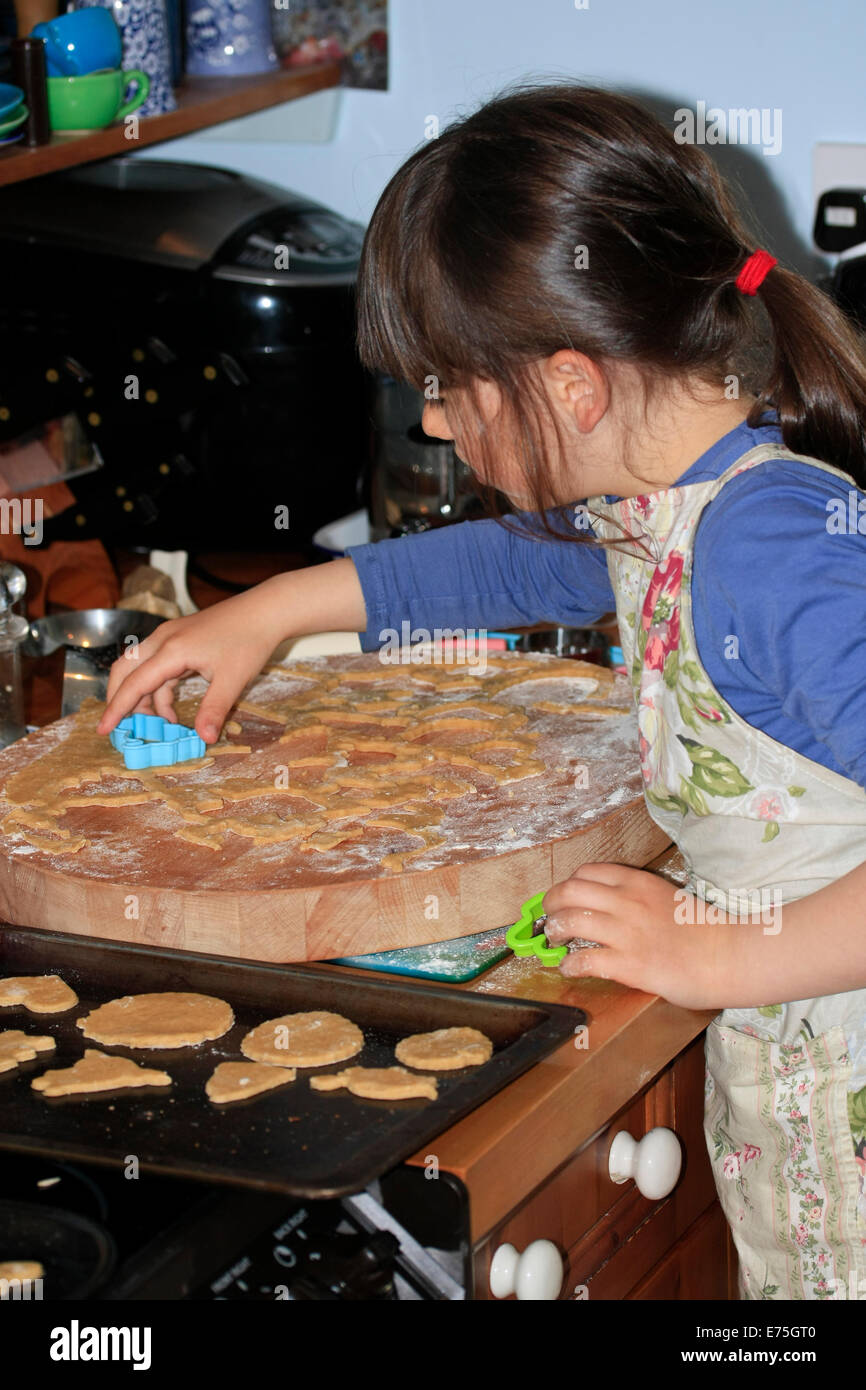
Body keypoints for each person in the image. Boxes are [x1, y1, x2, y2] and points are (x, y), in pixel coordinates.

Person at [100, 81, 866, 1300]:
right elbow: (506, 560)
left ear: (569, 386)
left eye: (449, 389)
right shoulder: (675, 499)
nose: (437, 425)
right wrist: (276, 607)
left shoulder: (766, 546)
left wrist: (718, 953)